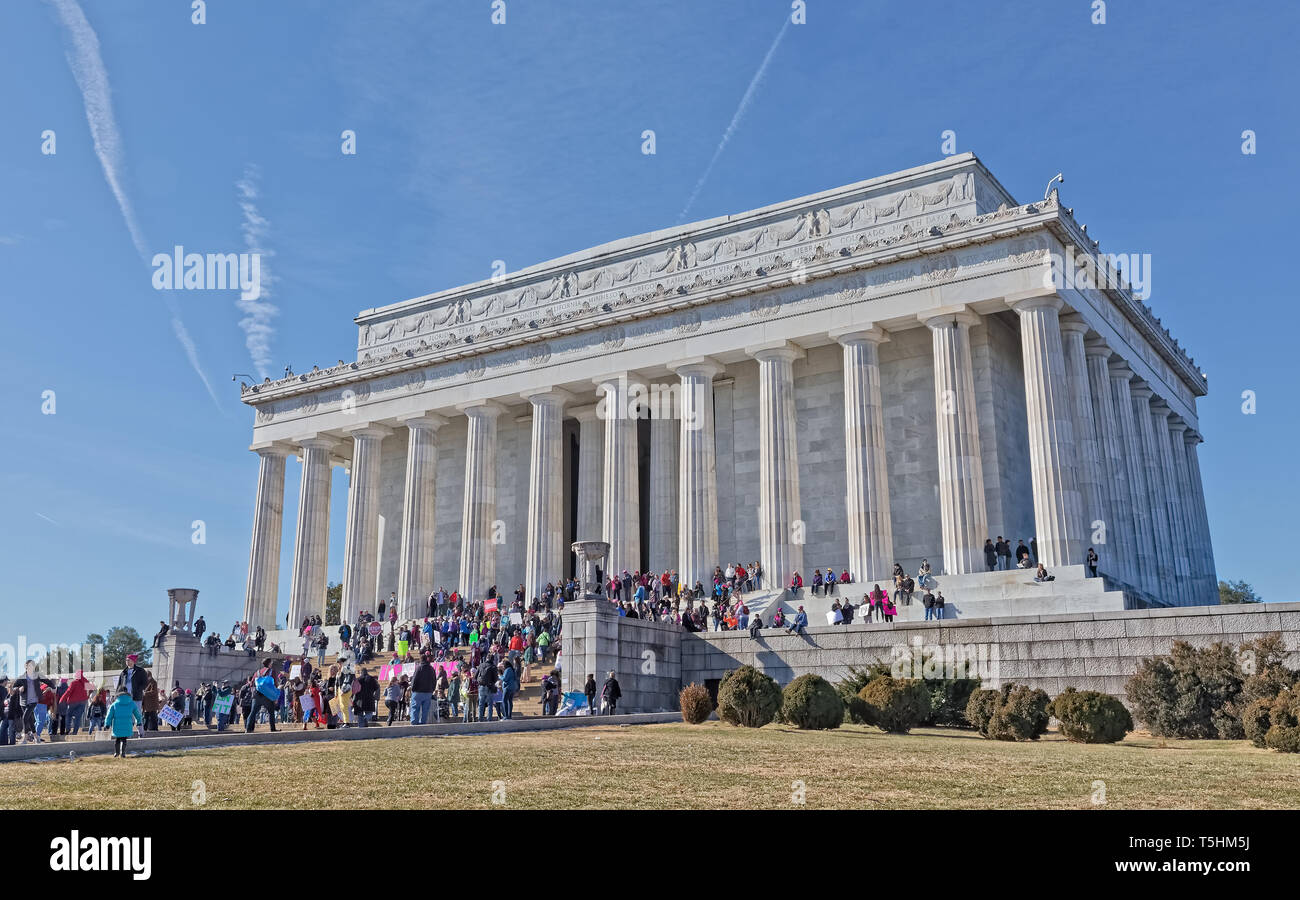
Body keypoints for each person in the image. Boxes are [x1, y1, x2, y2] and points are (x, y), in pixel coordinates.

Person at [104, 688, 143, 758]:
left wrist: (107, 724)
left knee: (117, 739)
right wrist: (139, 721)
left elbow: (109, 715)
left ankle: (117, 752)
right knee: (124, 739)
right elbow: (137, 713)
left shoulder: (114, 704)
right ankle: (123, 753)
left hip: (117, 724)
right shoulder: (131, 703)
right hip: (127, 724)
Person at [245, 658, 280, 733]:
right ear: (269, 663)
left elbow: (251, 684)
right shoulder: (271, 671)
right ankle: (272, 728)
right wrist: (275, 695)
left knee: (253, 712)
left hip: (257, 695)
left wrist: (253, 693)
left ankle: (248, 729)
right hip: (267, 696)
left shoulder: (257, 672)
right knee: (271, 712)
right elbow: (275, 683)